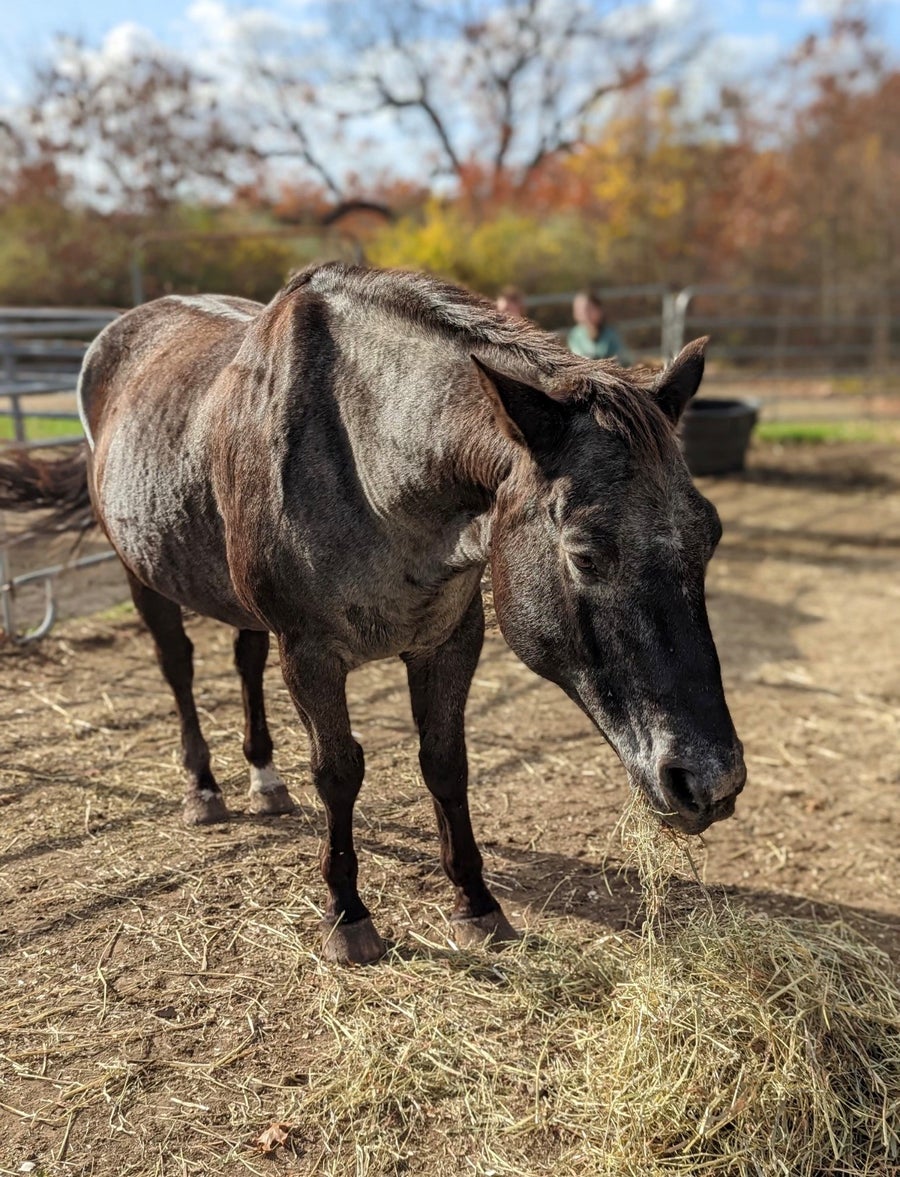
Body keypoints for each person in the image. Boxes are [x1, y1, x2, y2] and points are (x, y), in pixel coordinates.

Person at [567, 289, 634, 365]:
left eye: (588, 309)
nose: (583, 313)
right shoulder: (575, 335)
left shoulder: (611, 333)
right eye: (578, 309)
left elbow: (622, 358)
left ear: (599, 309)